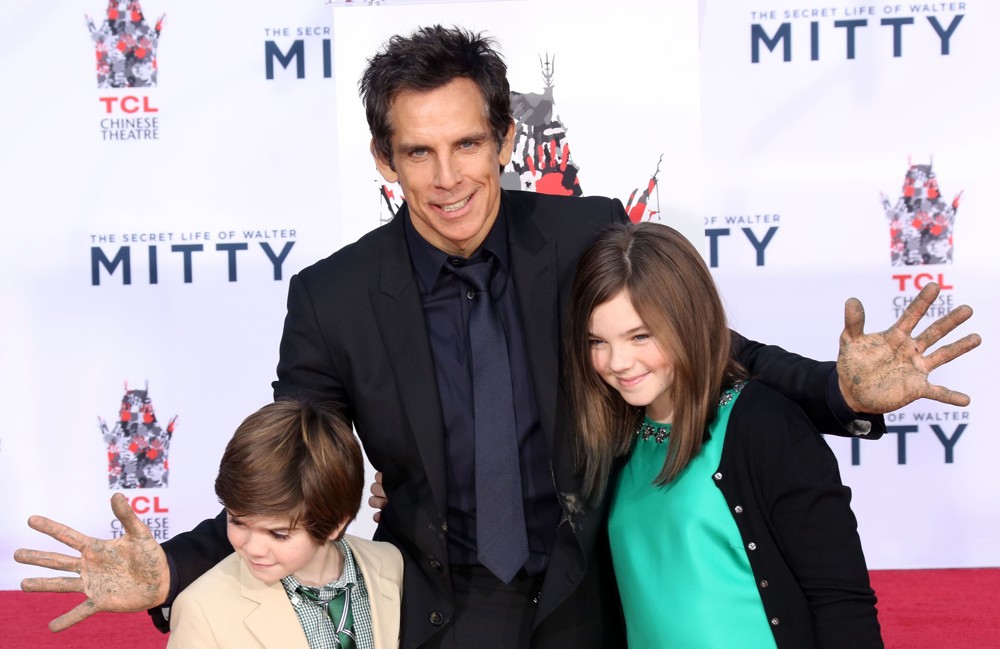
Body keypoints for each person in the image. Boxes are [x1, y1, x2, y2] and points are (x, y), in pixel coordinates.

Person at [14, 25, 979, 649]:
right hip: (441, 610)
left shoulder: (583, 231)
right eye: (419, 152)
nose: (448, 178)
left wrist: (839, 393)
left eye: (468, 144)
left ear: (507, 138)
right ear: (385, 159)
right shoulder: (333, 297)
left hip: (599, 597)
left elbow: (696, 347)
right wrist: (172, 568)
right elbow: (294, 463)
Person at [565, 221, 884, 648]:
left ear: (688, 321)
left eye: (640, 336)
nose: (617, 362)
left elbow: (841, 600)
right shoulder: (613, 435)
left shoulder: (764, 425)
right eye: (596, 341)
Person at [166, 398, 403, 648]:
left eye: (278, 534)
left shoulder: (393, 566)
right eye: (238, 521)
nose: (253, 548)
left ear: (335, 524)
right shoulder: (202, 608)